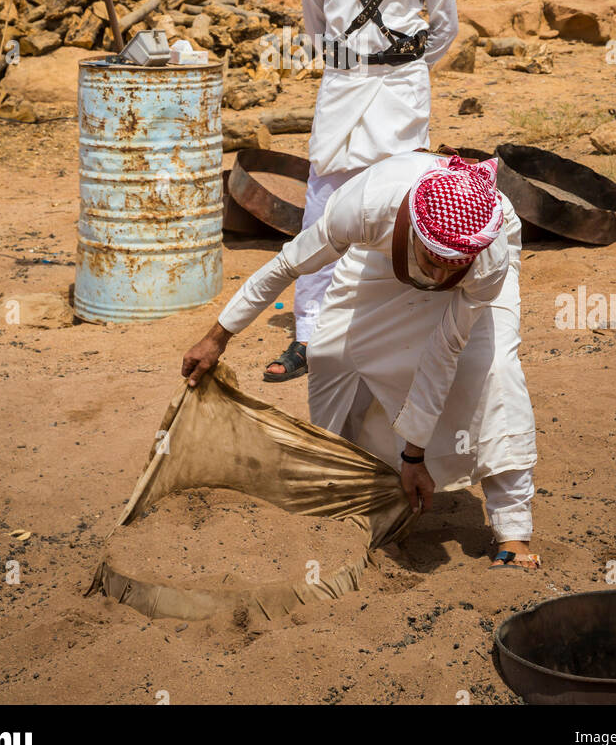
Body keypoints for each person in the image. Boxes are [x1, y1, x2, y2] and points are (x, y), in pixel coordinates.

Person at [183, 151, 540, 570]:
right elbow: (285, 267)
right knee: (332, 353)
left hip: (471, 269)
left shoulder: (486, 259)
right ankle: (343, 487)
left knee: (491, 370)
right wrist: (217, 337)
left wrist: (414, 455)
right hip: (382, 255)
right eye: (432, 263)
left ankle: (513, 530)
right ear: (411, 227)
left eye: (451, 268)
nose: (439, 280)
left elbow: (444, 352)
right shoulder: (366, 207)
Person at [263, 0, 458, 383]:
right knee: (323, 205)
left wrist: (405, 69)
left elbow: (444, 26)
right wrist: (354, 65)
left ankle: (391, 329)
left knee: (398, 203)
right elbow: (313, 28)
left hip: (401, 91)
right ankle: (307, 335)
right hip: (342, 87)